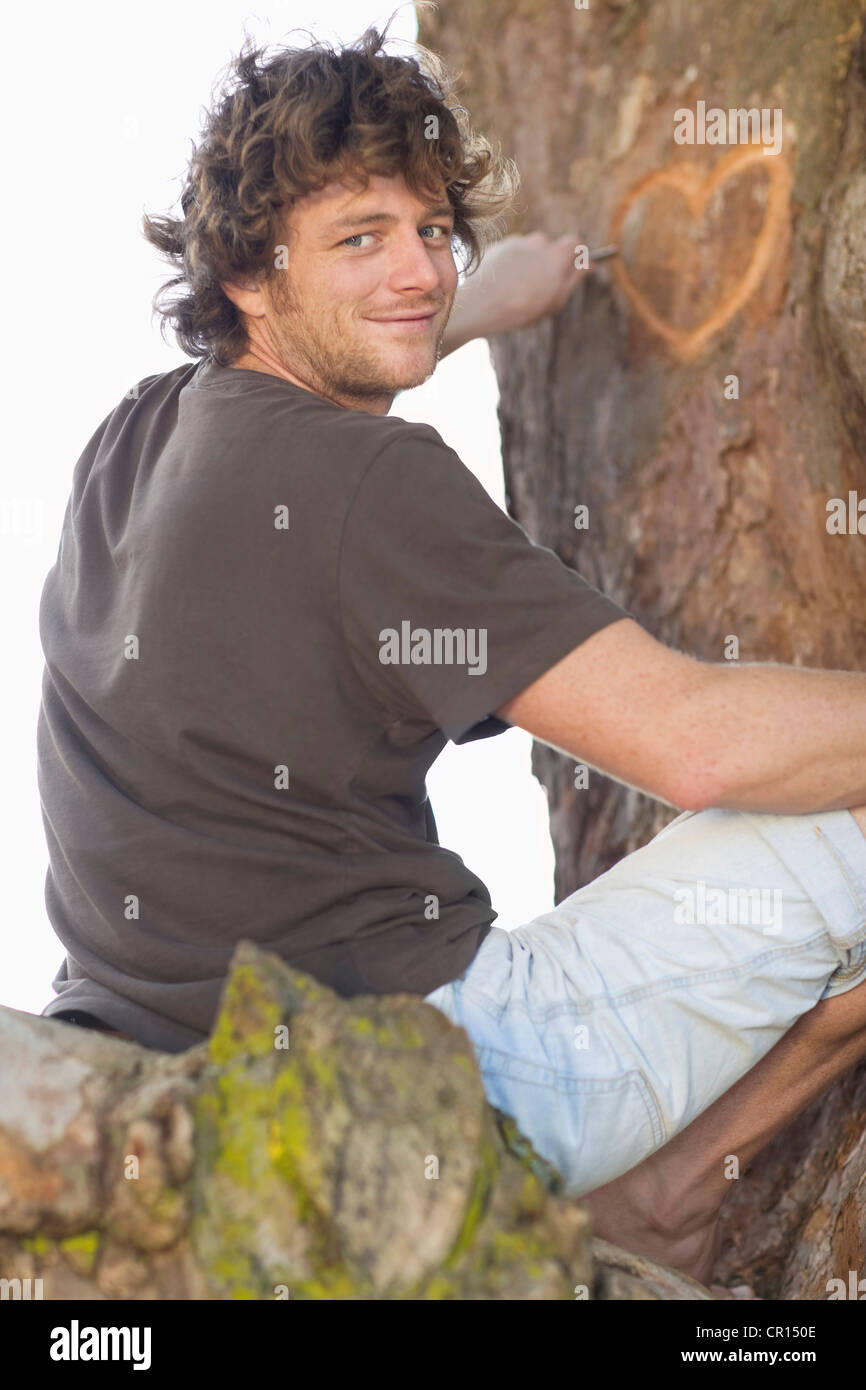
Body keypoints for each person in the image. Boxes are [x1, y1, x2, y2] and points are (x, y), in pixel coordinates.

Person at [36, 24, 866, 1296]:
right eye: (360, 239)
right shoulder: (370, 486)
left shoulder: (135, 440)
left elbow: (311, 401)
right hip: (429, 1084)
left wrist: (476, 304)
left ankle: (657, 1189)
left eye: (432, 231)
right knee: (844, 817)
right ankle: (666, 1185)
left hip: (176, 1081)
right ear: (250, 274)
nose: (417, 271)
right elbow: (694, 744)